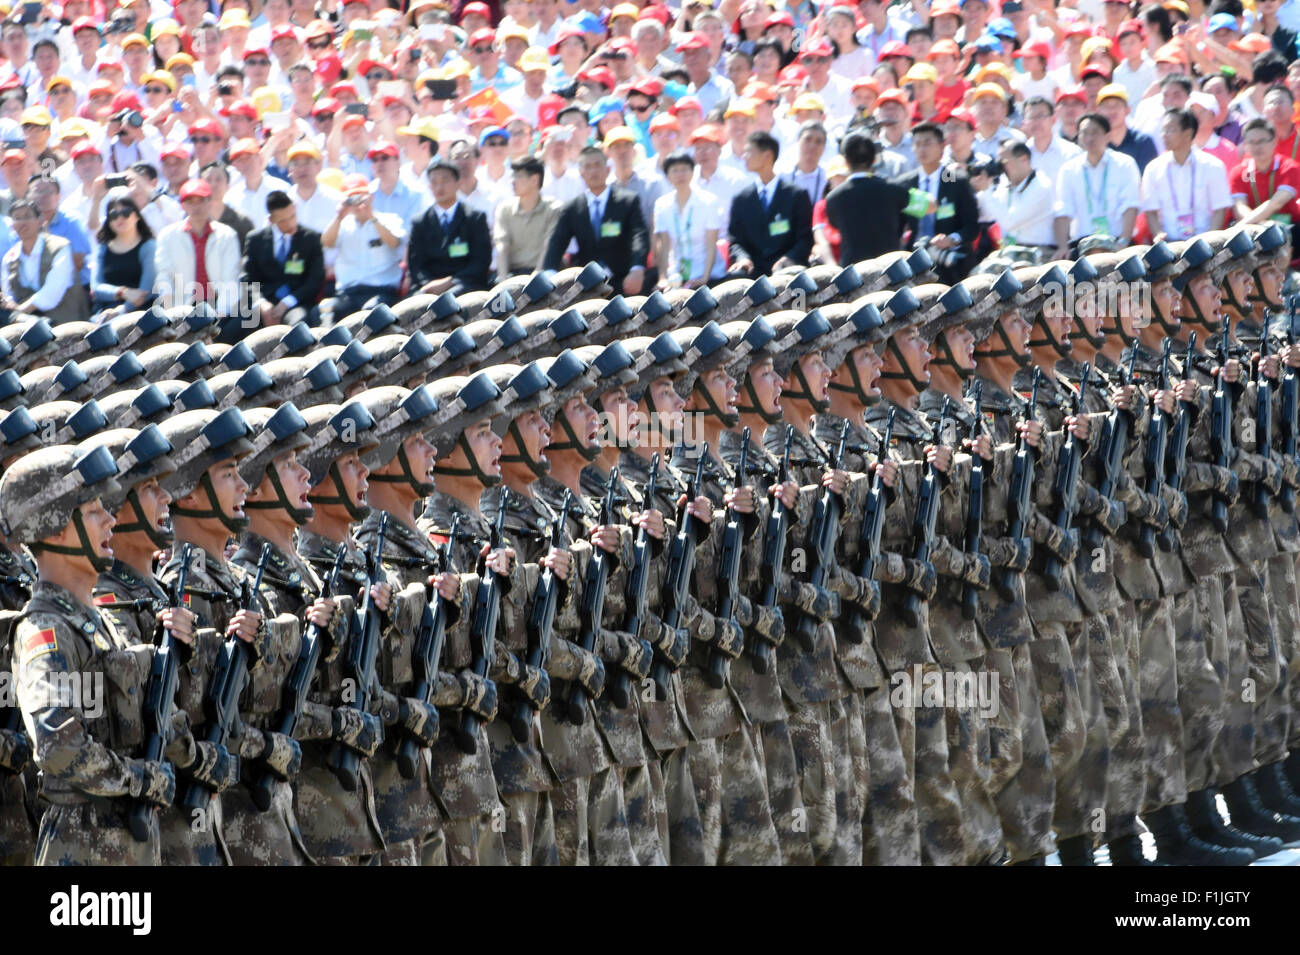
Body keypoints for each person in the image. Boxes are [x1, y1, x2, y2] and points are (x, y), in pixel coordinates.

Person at [1, 443, 176, 865]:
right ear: (56, 529)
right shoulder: (46, 632)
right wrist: (137, 778)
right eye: (94, 510)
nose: (110, 520)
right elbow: (58, 747)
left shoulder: (97, 622)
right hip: (82, 849)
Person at [544, 144, 649, 294]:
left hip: (623, 280)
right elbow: (557, 242)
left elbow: (639, 236)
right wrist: (549, 273)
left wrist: (637, 269)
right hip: (586, 286)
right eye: (588, 166)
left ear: (607, 170)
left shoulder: (628, 202)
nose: (593, 171)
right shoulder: (572, 208)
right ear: (581, 173)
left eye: (598, 165)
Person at [897, 122, 979, 283]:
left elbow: (972, 226)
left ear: (942, 146)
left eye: (927, 143)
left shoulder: (957, 181)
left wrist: (952, 238)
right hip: (915, 262)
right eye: (917, 144)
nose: (922, 149)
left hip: (951, 264)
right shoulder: (905, 184)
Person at [824, 129, 919, 265]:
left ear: (845, 161)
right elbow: (929, 206)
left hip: (853, 275)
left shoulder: (833, 198)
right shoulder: (894, 190)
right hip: (890, 270)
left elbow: (834, 224)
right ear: (875, 159)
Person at [1052, 113, 1140, 256]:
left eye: (1095, 132)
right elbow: (1063, 210)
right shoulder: (1069, 169)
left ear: (1107, 136)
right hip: (1082, 244)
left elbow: (1130, 205)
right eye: (1084, 133)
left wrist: (1124, 241)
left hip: (1116, 242)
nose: (1089, 138)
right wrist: (1062, 246)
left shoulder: (1124, 164)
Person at [726, 130, 812, 276]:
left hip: (788, 271)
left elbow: (805, 237)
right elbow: (735, 241)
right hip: (754, 273)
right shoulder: (741, 199)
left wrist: (790, 258)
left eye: (749, 152)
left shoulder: (796, 195)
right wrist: (743, 258)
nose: (744, 156)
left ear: (767, 156)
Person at [322, 176, 407, 319]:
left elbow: (394, 243)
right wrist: (339, 216)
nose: (356, 202)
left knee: (372, 312)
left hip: (382, 289)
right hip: (348, 292)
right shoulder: (342, 225)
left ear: (370, 197)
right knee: (327, 311)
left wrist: (371, 217)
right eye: (351, 199)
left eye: (360, 197)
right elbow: (327, 242)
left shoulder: (389, 219)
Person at [1141, 107, 1232, 240]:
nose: (1164, 134)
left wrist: (1210, 242)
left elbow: (1220, 209)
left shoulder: (1213, 166)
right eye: (1163, 129)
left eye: (1170, 129)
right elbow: (1151, 211)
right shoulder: (1153, 168)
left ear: (1188, 133)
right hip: (1169, 245)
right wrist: (1159, 235)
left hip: (1204, 243)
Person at [409, 158, 494, 295]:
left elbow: (481, 262)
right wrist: (428, 285)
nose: (439, 187)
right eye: (434, 182)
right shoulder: (420, 222)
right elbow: (416, 266)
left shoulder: (474, 218)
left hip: (466, 283)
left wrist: (451, 282)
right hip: (430, 286)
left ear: (458, 183)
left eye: (445, 181)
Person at [242, 189, 325, 328]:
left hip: (296, 302)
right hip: (265, 301)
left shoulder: (310, 238)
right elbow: (248, 279)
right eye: (283, 221)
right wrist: (261, 303)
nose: (290, 224)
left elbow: (314, 281)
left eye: (293, 216)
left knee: (298, 325)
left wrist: (288, 302)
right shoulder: (256, 239)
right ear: (271, 220)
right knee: (235, 327)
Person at [0, 197, 89, 323]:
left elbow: (51, 294)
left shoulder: (60, 247)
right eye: (17, 218)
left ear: (40, 220)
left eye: (27, 216)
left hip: (64, 323)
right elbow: (9, 295)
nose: (22, 222)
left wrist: (19, 311)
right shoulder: (10, 258)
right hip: (25, 323)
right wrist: (11, 306)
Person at [652, 150, 721, 289]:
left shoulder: (708, 201)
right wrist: (662, 277)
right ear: (667, 175)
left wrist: (705, 277)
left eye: (684, 169)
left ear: (692, 172)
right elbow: (664, 245)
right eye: (675, 170)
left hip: (706, 272)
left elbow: (710, 244)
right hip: (677, 273)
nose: (680, 174)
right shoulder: (662, 204)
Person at [971, 139, 1056, 250]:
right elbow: (988, 215)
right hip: (1013, 250)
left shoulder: (1041, 186)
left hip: (1039, 252)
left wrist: (986, 192)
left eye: (1004, 162)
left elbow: (1010, 222)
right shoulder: (1006, 184)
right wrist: (976, 188)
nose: (1002, 169)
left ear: (1024, 159)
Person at [1228, 118, 1300, 234]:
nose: (1257, 147)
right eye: (1252, 142)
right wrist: (1262, 226)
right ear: (1245, 145)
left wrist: (1240, 226)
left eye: (1262, 141)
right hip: (1253, 229)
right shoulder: (1240, 172)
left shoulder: (1289, 168)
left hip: (1289, 228)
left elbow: (1276, 203)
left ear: (1274, 142)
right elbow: (1239, 207)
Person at [494, 155, 561, 277]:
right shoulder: (504, 209)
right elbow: (502, 246)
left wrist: (537, 275)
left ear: (535, 180)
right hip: (512, 274)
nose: (512, 181)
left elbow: (548, 245)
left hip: (543, 273)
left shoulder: (553, 209)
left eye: (518, 176)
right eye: (512, 176)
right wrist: (503, 281)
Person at [91, 190, 156, 314]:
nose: (120, 218)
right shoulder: (103, 248)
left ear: (136, 216)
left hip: (142, 312)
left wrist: (122, 310)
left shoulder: (148, 246)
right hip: (106, 311)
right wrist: (122, 292)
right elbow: (96, 287)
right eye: (114, 214)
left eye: (125, 213)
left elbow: (146, 290)